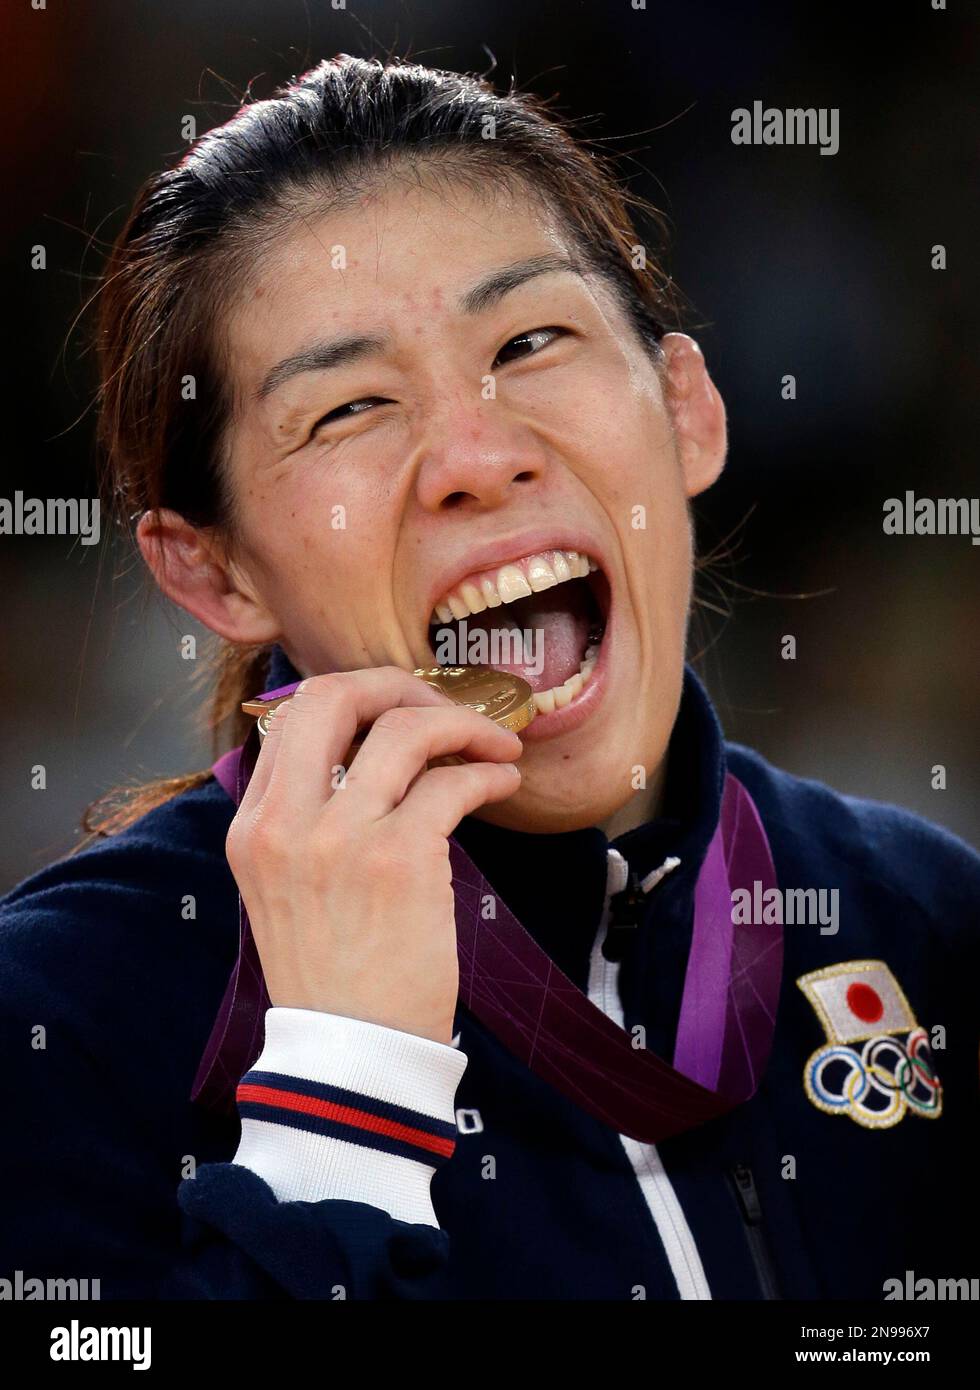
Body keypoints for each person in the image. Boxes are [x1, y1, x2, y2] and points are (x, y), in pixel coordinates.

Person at [1, 53, 976, 1303]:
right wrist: (336, 1104)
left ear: (684, 409)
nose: (472, 453)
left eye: (528, 338)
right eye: (347, 409)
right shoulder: (67, 1021)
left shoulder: (925, 922)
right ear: (216, 572)